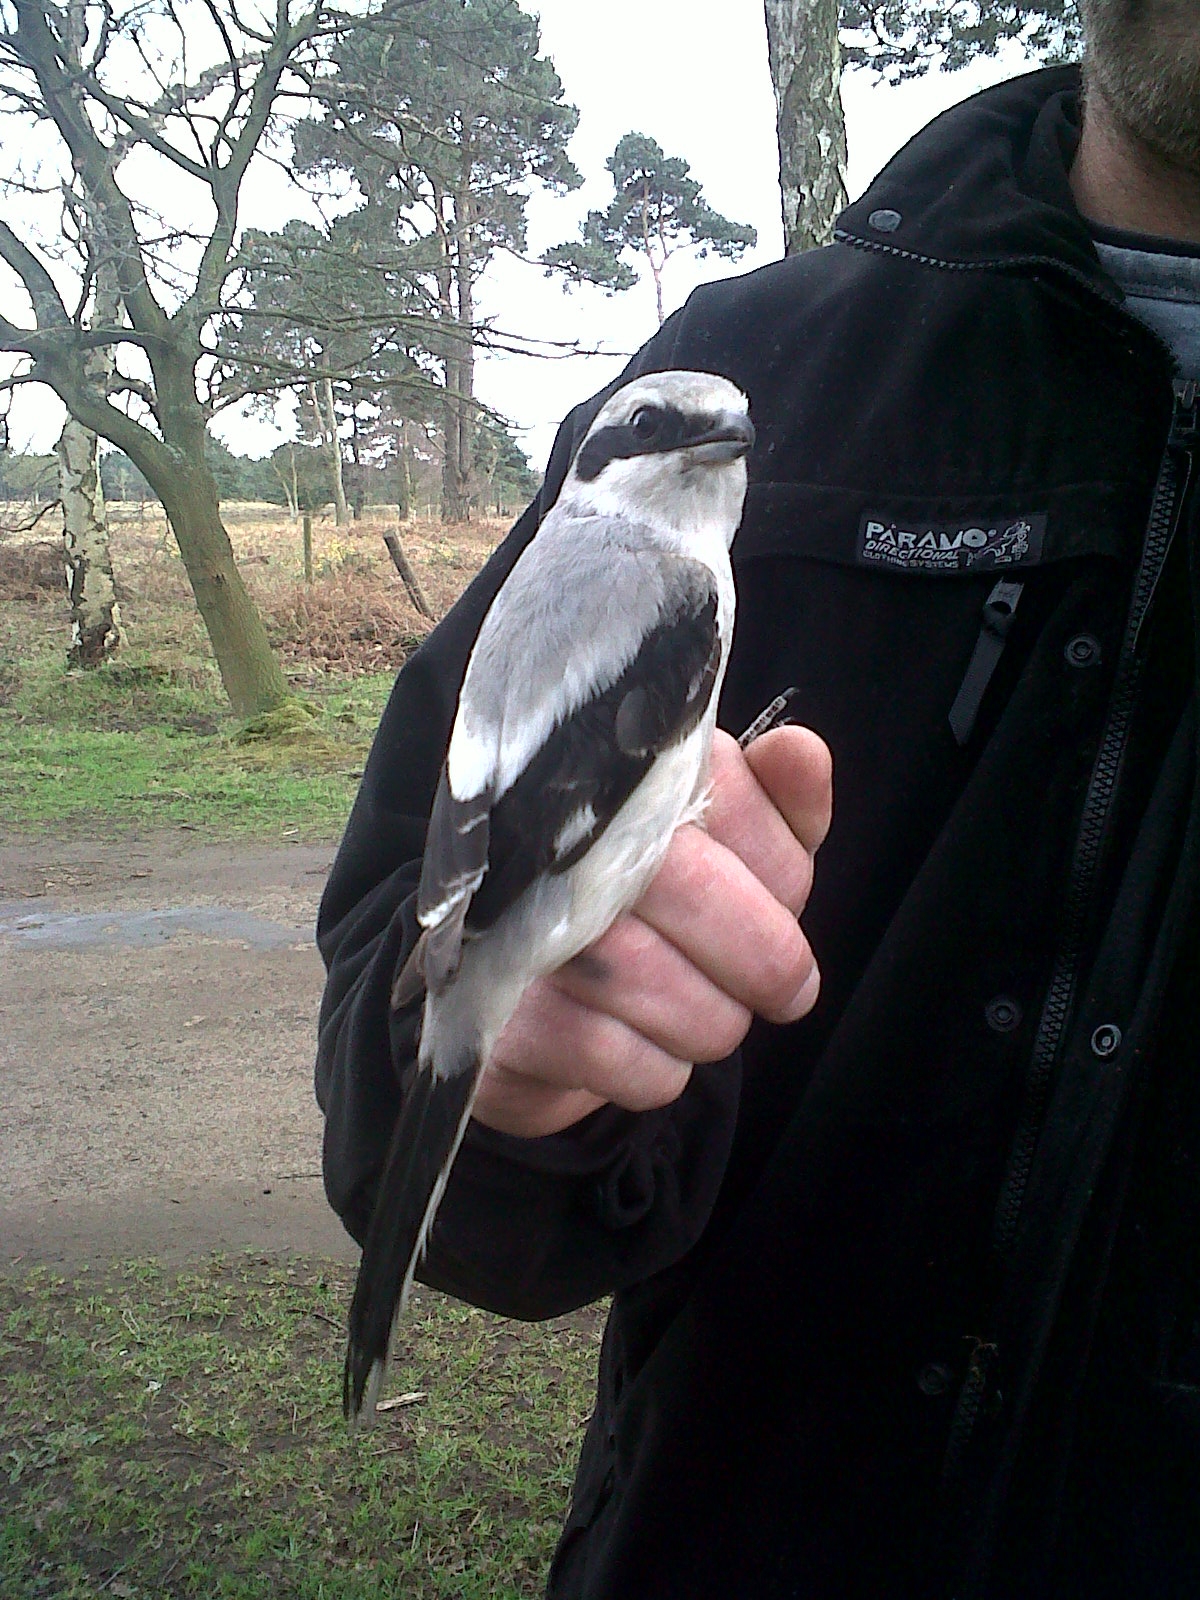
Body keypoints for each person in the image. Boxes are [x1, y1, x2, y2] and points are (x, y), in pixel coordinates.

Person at [316, 1, 1200, 1592]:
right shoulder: (762, 371)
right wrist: (500, 1071)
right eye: (681, 433)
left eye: (733, 443)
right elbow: (410, 920)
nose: (724, 440)